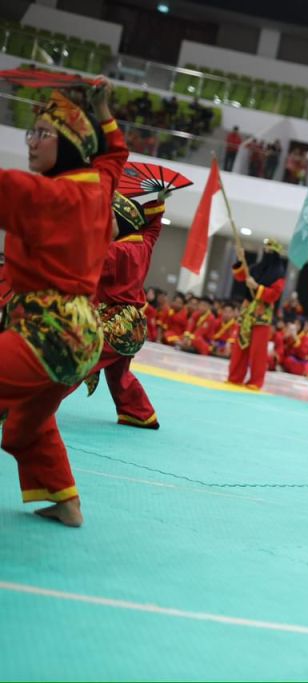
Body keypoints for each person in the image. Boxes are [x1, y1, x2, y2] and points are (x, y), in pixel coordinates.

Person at [0, 79, 128, 527]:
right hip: (82, 339)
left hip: (45, 335)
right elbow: (115, 156)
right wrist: (104, 111)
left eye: (42, 134)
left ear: (70, 142)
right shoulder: (97, 187)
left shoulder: (50, 196)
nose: (32, 143)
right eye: (30, 133)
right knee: (27, 426)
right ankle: (65, 502)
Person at [79, 190, 168, 429]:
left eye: (113, 219)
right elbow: (153, 229)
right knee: (119, 374)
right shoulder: (144, 245)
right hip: (134, 323)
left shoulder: (114, 252)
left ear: (125, 223)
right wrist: (158, 203)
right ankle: (139, 413)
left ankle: (32, 405)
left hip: (114, 323)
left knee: (78, 360)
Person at [227, 239, 286, 390]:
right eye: (265, 250)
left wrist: (258, 288)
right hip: (247, 310)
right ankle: (235, 377)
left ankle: (255, 381)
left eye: (270, 251)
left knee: (258, 350)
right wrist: (241, 260)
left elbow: (274, 294)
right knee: (240, 344)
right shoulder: (256, 268)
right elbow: (241, 276)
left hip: (262, 313)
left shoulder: (279, 274)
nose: (267, 253)